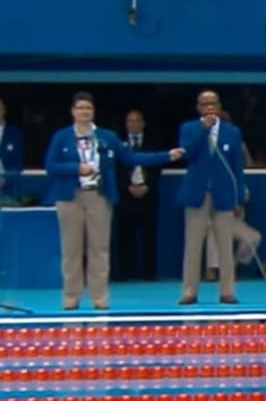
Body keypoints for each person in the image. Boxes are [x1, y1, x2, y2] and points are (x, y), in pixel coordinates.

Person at [44, 91, 182, 310]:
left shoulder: (106, 137)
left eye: (88, 108)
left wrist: (166, 156)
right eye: (80, 108)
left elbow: (131, 157)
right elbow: (51, 166)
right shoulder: (61, 137)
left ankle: (99, 298)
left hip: (99, 197)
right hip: (70, 198)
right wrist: (76, 168)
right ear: (72, 112)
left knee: (99, 248)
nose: (84, 112)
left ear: (93, 112)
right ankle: (71, 298)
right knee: (72, 250)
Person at [176, 90, 247, 306]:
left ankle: (227, 291)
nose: (209, 107)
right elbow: (187, 154)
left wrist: (238, 197)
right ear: (198, 108)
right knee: (193, 244)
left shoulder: (232, 132)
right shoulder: (188, 129)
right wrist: (203, 131)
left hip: (223, 193)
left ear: (219, 106)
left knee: (225, 244)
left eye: (212, 103)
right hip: (196, 193)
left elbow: (237, 167)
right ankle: (189, 291)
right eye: (204, 104)